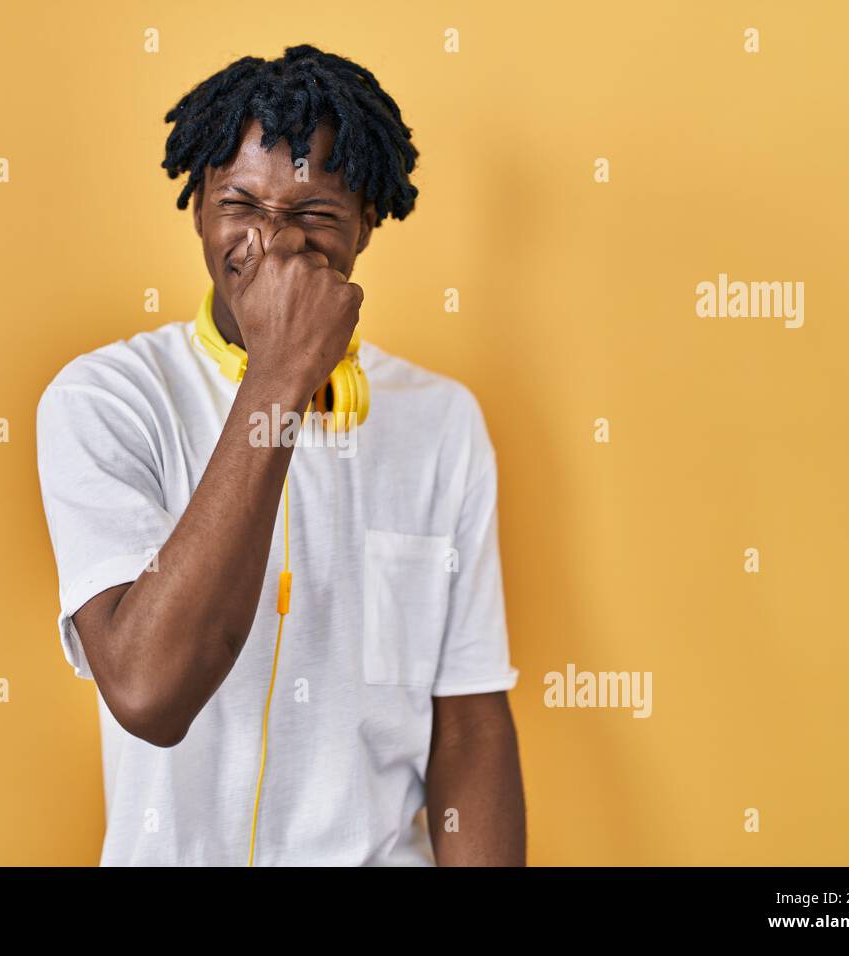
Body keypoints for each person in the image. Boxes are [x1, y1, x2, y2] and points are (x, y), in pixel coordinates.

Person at [36, 44, 524, 866]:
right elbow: (150, 693)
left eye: (314, 215)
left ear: (367, 222)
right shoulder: (103, 401)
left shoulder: (443, 422)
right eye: (240, 204)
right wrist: (281, 373)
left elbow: (469, 724)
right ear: (196, 208)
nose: (272, 245)